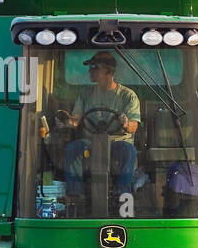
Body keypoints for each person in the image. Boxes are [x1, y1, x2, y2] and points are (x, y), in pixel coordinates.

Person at [60, 52, 141, 203]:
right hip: (91, 143)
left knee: (128, 150)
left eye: (94, 67)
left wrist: (125, 123)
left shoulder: (128, 96)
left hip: (117, 142)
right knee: (73, 148)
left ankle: (122, 195)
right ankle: (75, 196)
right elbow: (76, 119)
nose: (90, 71)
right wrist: (66, 122)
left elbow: (133, 127)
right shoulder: (86, 93)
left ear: (109, 71)